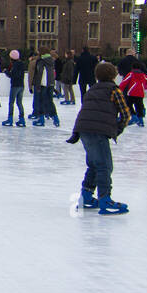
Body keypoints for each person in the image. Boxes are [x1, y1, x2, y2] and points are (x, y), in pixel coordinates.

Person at [65, 61, 131, 214]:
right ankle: (105, 199)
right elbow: (126, 114)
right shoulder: (115, 90)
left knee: (94, 164)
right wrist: (117, 128)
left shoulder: (92, 90)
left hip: (83, 130)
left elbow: (85, 111)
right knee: (104, 166)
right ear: (114, 75)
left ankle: (86, 196)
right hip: (98, 131)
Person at [30, 47, 59, 126]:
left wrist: (38, 84)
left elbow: (40, 73)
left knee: (41, 102)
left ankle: (41, 119)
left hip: (43, 84)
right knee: (50, 101)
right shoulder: (51, 60)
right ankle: (56, 118)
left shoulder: (41, 61)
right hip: (50, 84)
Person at [2, 49, 27, 127]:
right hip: (21, 85)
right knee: (19, 102)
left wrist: (6, 72)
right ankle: (22, 119)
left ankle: (10, 119)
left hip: (15, 85)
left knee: (11, 102)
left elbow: (13, 75)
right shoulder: (22, 64)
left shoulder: (15, 65)